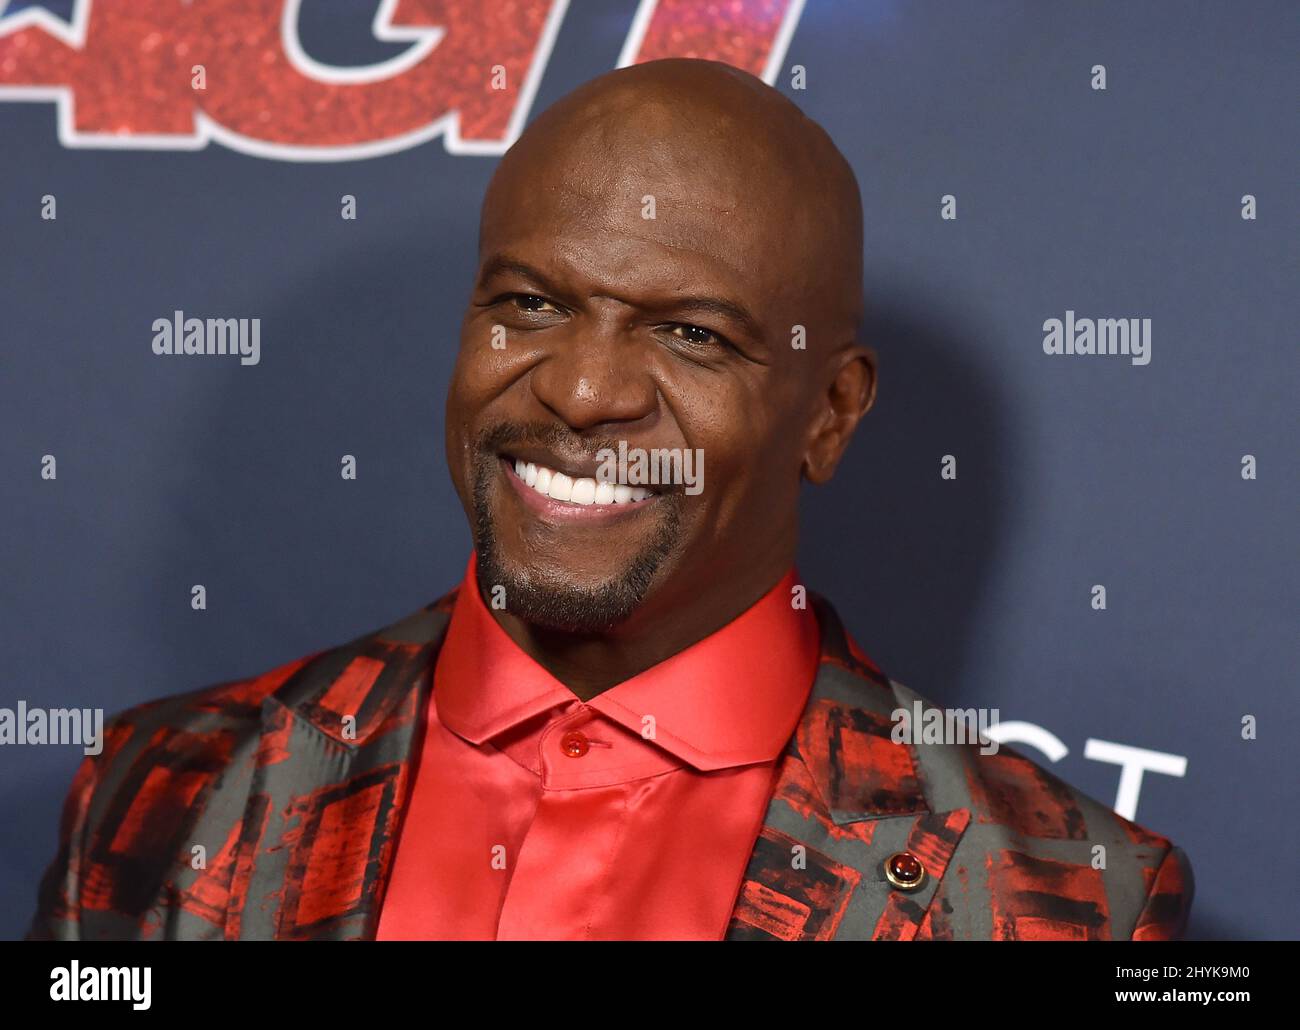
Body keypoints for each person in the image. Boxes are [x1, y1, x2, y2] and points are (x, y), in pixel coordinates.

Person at [27, 58, 1191, 941]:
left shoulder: (1068, 898)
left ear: (829, 415)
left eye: (691, 334)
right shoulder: (158, 788)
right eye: (529, 305)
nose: (583, 394)